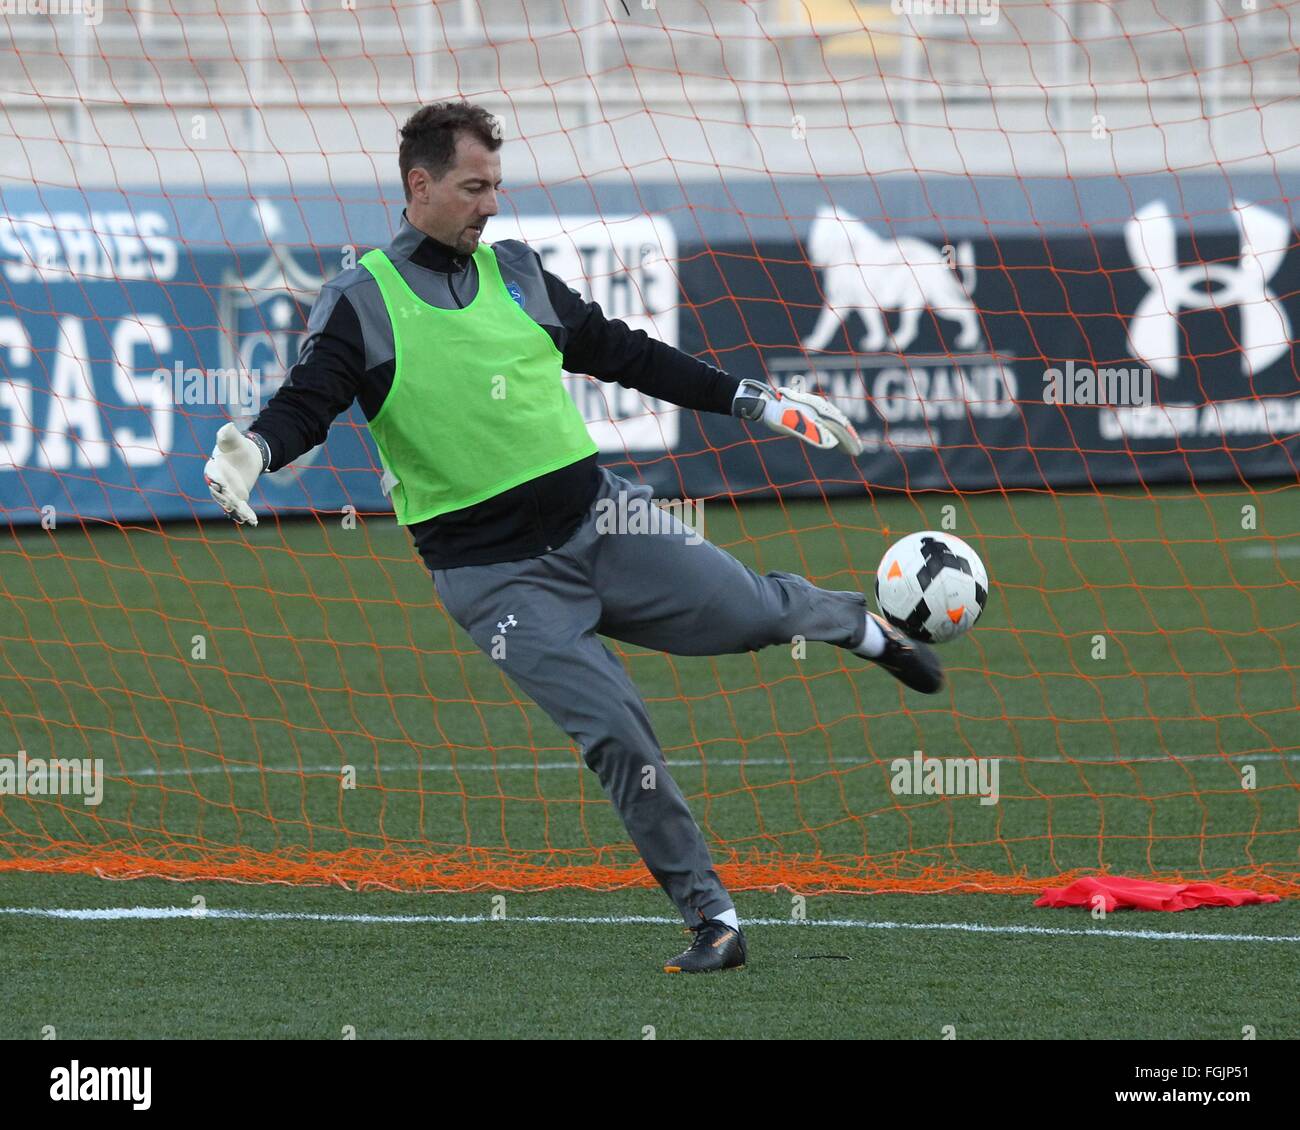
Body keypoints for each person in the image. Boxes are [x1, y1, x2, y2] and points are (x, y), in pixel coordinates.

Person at [204, 100, 943, 974]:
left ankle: (856, 627)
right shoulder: (361, 300)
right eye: (474, 187)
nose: (490, 205)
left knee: (750, 615)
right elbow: (309, 398)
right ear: (420, 184)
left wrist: (752, 398)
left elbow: (622, 351)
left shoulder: (517, 270)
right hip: (496, 581)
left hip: (605, 519)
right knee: (617, 732)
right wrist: (255, 447)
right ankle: (714, 918)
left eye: (496, 186)